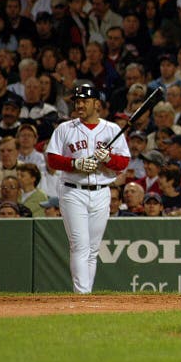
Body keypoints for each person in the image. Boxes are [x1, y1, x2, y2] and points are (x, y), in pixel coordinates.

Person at [45, 84, 130, 293]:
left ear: (97, 104)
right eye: (77, 101)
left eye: (84, 101)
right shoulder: (65, 129)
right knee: (80, 246)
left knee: (92, 249)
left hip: (101, 191)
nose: (79, 104)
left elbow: (124, 162)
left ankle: (86, 296)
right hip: (73, 190)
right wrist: (75, 164)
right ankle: (82, 295)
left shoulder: (111, 129)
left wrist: (108, 158)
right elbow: (52, 159)